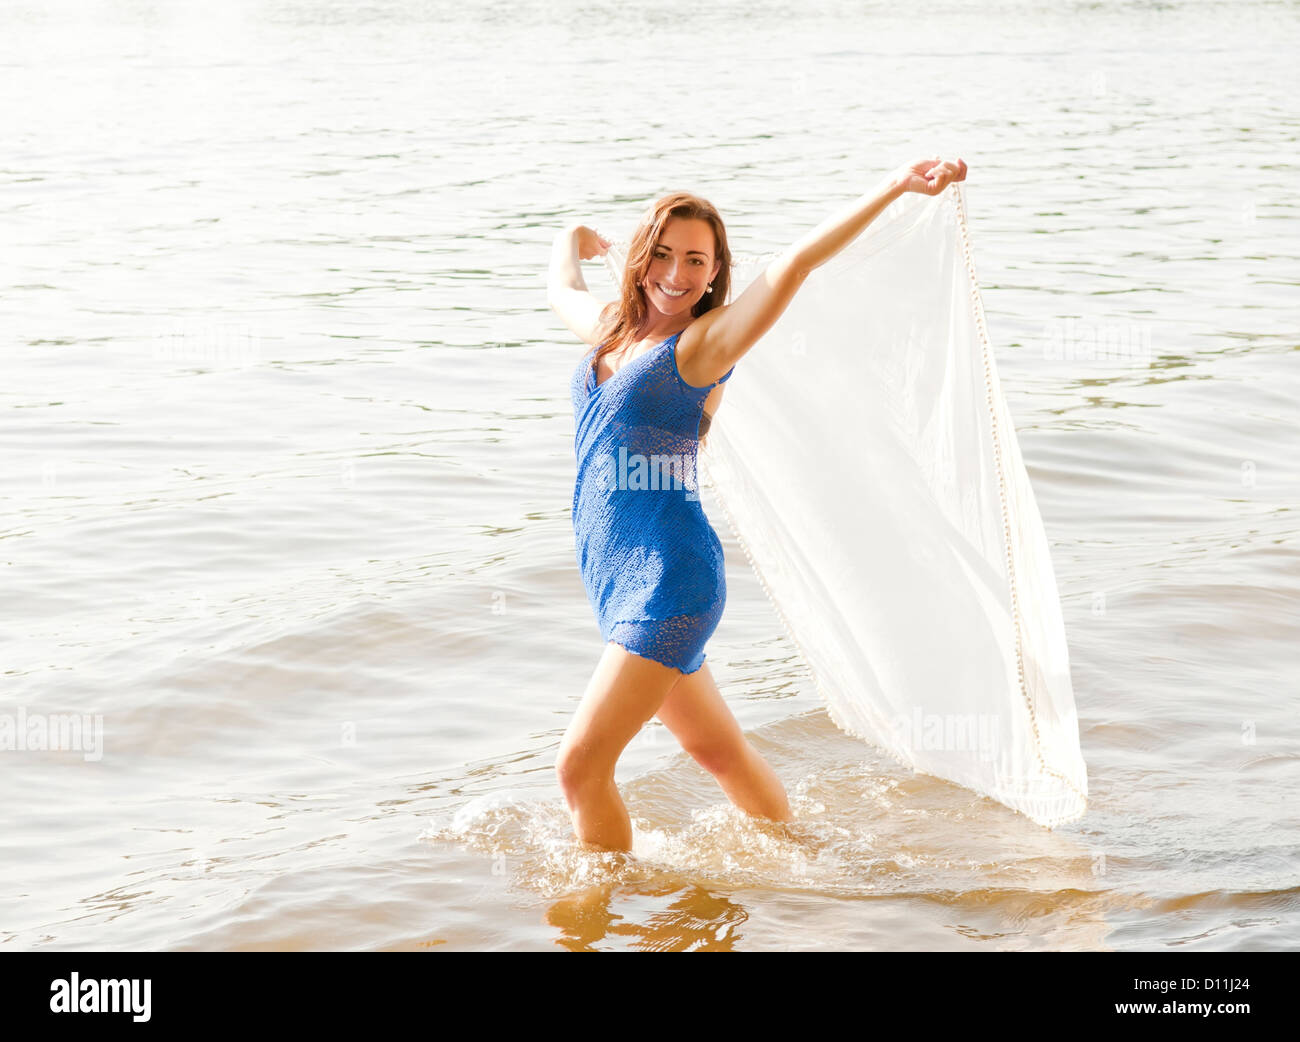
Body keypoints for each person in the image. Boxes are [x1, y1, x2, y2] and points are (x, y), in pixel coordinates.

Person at [547, 156, 968, 852]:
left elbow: (795, 265)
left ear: (715, 274)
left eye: (695, 261)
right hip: (617, 582)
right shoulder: (612, 333)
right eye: (662, 253)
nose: (676, 274)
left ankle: (600, 914)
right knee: (720, 755)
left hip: (668, 582)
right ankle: (814, 866)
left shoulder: (702, 346)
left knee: (580, 768)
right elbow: (559, 285)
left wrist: (893, 186)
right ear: (641, 254)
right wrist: (574, 234)